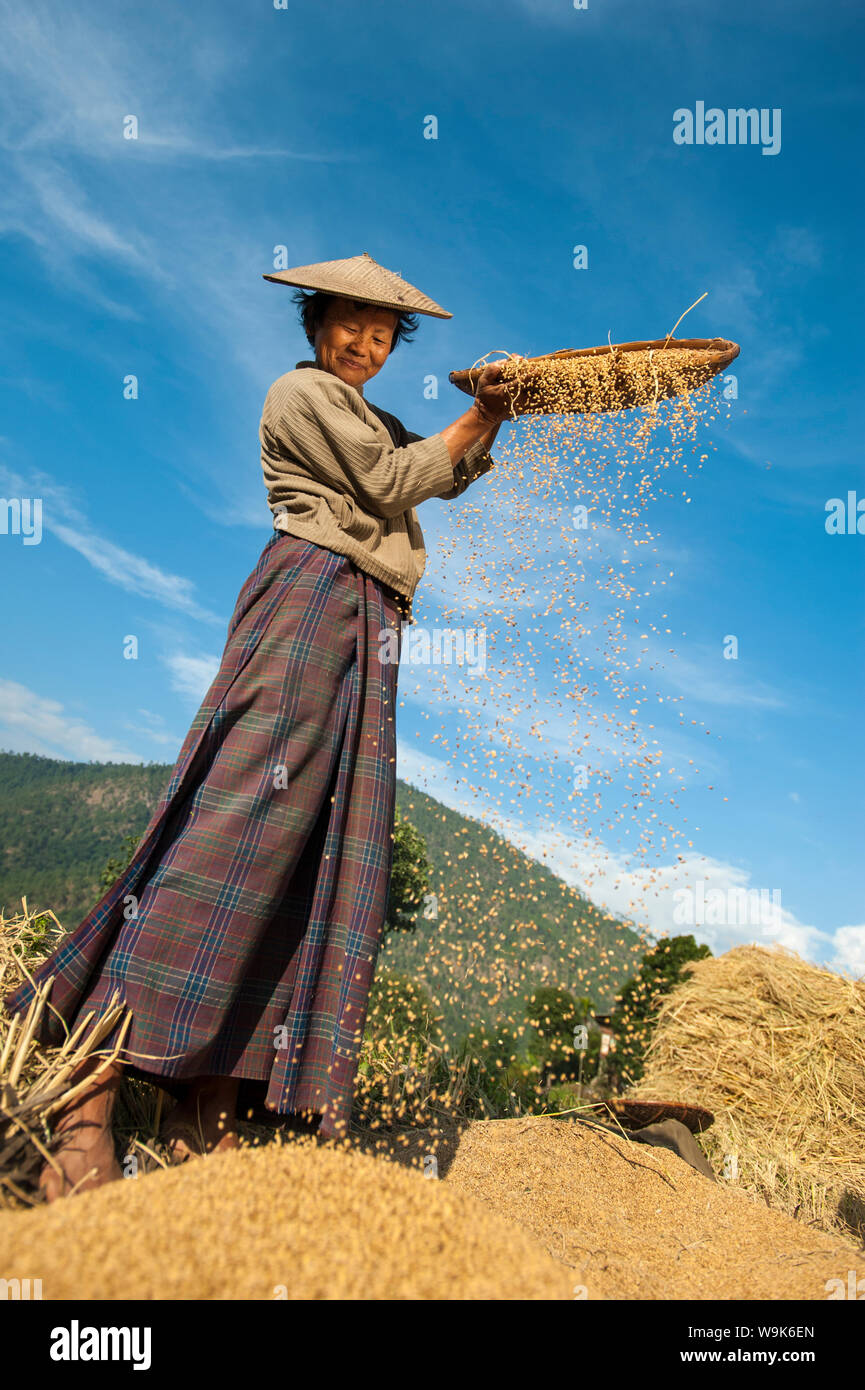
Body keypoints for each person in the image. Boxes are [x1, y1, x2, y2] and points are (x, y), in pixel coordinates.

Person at [4, 252, 515, 1200]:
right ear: (315, 322)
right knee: (236, 829)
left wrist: (498, 410)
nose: (363, 342)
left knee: (303, 850)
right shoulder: (303, 394)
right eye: (347, 322)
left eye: (381, 330)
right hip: (314, 599)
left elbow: (442, 476)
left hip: (368, 619)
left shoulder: (368, 415)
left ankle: (208, 1112)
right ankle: (82, 1094)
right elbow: (401, 481)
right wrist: (480, 415)